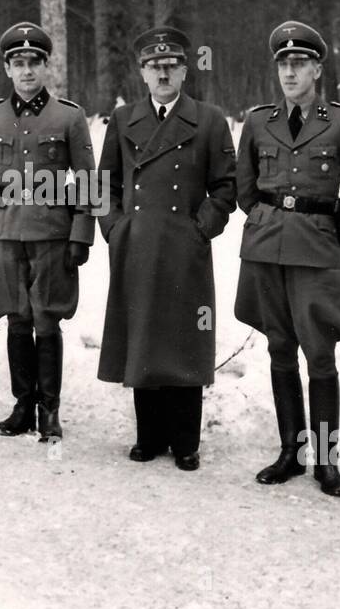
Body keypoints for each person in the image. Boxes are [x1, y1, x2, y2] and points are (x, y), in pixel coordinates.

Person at [234, 20, 340, 497]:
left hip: (315, 252)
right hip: (266, 250)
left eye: (299, 64)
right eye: (283, 64)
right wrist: (263, 218)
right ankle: (290, 454)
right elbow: (245, 189)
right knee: (280, 349)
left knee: (320, 353)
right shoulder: (258, 121)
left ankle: (327, 461)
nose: (290, 73)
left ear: (317, 68)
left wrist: (334, 236)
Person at [96, 26, 237, 471]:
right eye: (154, 67)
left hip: (185, 247)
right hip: (137, 244)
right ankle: (148, 436)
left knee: (184, 340)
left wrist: (202, 228)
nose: (163, 74)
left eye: (171, 66)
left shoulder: (210, 119)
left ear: (184, 73)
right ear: (142, 73)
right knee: (143, 337)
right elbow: (103, 185)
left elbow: (227, 185)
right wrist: (115, 228)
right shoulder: (122, 120)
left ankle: (186, 441)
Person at [0, 22, 96, 442]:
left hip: (52, 233)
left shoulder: (69, 116)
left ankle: (50, 410)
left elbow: (90, 179)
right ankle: (22, 405)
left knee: (47, 319)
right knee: (16, 318)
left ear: (46, 67)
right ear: (6, 67)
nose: (26, 71)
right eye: (18, 63)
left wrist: (81, 234)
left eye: (34, 62)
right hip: (4, 232)